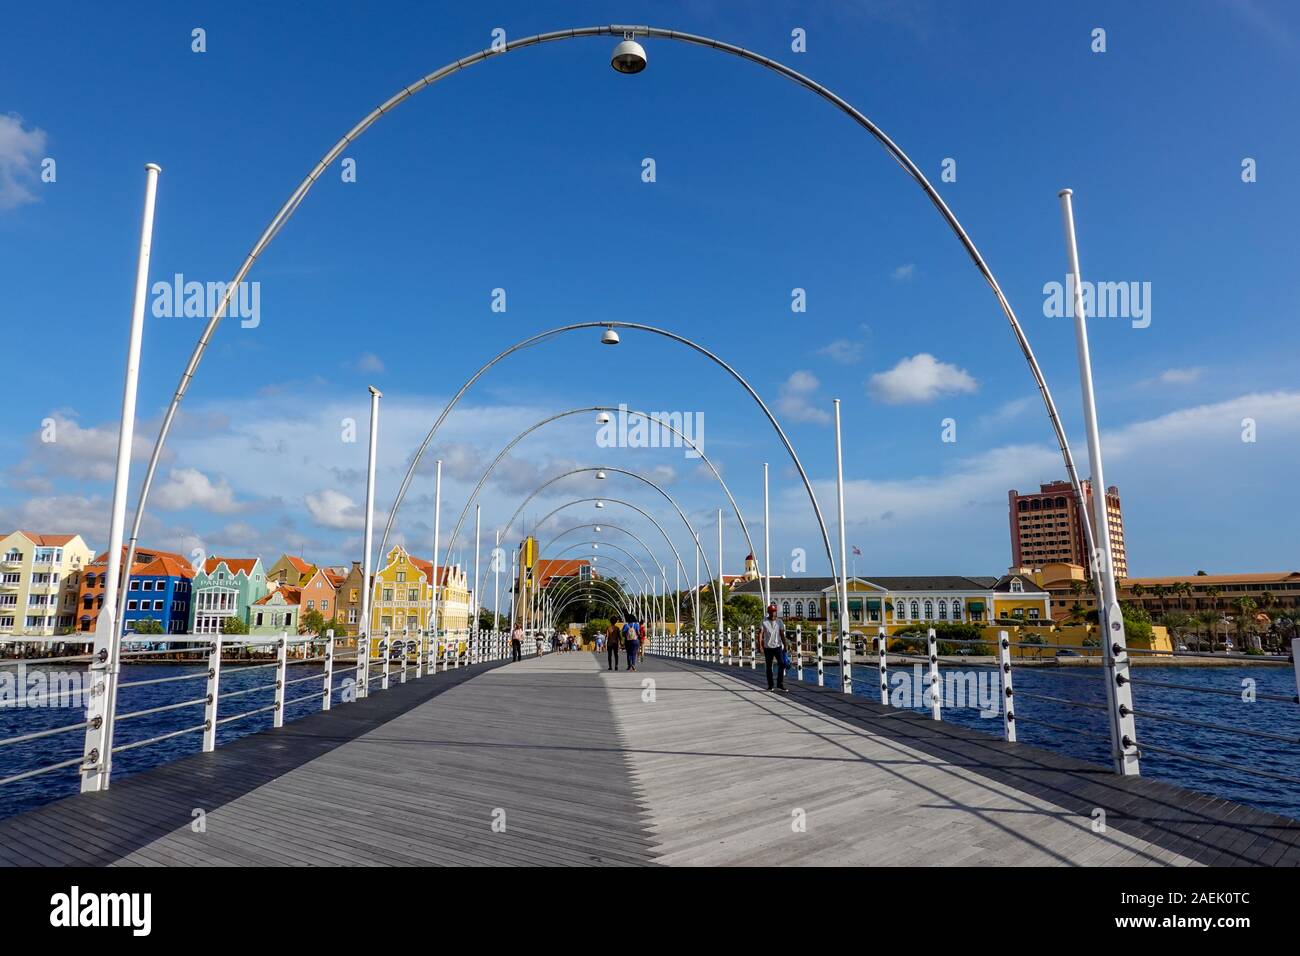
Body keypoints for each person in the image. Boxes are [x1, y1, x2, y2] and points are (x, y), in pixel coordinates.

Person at [761, 603, 788, 691]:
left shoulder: (779, 621)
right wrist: (760, 646)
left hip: (778, 646)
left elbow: (782, 634)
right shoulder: (764, 621)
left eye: (774, 611)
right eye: (771, 611)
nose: (773, 613)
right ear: (768, 612)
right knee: (769, 666)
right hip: (767, 647)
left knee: (782, 664)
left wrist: (785, 645)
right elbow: (760, 634)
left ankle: (780, 684)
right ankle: (770, 686)